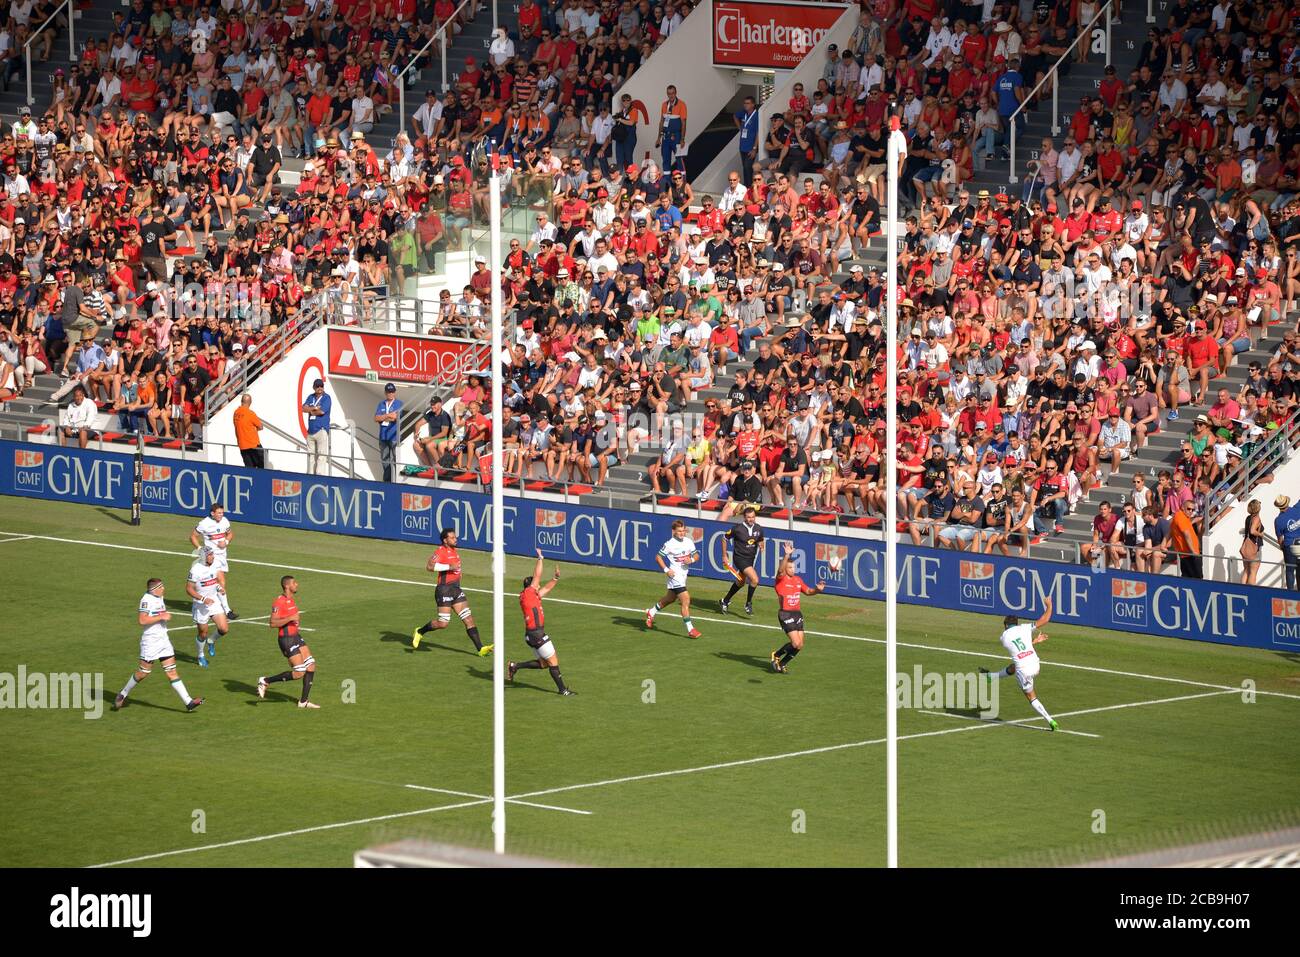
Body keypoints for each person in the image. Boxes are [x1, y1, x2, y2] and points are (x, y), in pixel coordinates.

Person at [113, 577, 203, 712]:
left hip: (163, 640)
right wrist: (161, 617)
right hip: (150, 642)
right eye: (161, 587)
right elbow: (142, 620)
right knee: (143, 673)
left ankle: (188, 702)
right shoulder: (146, 600)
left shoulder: (159, 598)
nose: (163, 589)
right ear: (154, 590)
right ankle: (123, 693)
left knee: (172, 671)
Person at [412, 527, 492, 656]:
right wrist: (450, 567)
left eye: (456, 537)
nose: (456, 539)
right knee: (443, 623)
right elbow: (429, 567)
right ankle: (420, 631)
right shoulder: (441, 551)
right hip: (444, 590)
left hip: (456, 589)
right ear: (445, 540)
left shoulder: (454, 551)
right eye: (452, 537)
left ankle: (480, 649)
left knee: (468, 619)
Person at [982, 597, 1057, 731]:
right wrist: (1049, 606)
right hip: (1036, 664)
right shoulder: (1024, 628)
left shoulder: (1004, 637)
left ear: (1005, 626)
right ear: (1017, 623)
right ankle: (992, 677)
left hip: (1024, 670)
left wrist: (1033, 641)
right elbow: (1045, 619)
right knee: (1015, 665)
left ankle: (1050, 720)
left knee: (1031, 697)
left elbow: (1017, 647)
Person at [507, 549, 575, 696]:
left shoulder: (532, 596)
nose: (538, 586)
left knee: (544, 664)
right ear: (530, 585)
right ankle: (563, 690)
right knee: (553, 661)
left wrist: (555, 578)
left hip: (531, 635)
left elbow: (546, 588)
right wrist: (540, 557)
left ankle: (515, 666)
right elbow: (537, 575)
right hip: (537, 634)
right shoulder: (528, 594)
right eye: (535, 584)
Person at [257, 575, 319, 709]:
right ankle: (265, 681)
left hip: (295, 636)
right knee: (299, 672)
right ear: (287, 586)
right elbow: (272, 623)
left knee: (311, 665)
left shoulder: (291, 600)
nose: (297, 585)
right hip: (286, 640)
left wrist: (294, 620)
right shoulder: (279, 602)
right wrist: (291, 618)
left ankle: (303, 702)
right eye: (294, 583)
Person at [770, 542, 825, 674]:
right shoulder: (780, 580)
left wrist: (817, 590)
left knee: (800, 645)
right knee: (795, 643)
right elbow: (779, 571)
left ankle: (782, 664)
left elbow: (808, 591)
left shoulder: (798, 580)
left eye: (794, 567)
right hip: (785, 614)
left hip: (797, 614)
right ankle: (776, 655)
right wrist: (787, 555)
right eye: (790, 567)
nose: (793, 570)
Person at [646, 519, 701, 638]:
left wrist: (691, 560)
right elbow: (658, 557)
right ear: (673, 531)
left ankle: (652, 611)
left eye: (683, 530)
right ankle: (690, 629)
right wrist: (667, 570)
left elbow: (696, 555)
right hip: (675, 576)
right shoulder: (669, 544)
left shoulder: (688, 541)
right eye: (679, 531)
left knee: (670, 599)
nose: (682, 533)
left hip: (683, 575)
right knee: (686, 599)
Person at [191, 503, 236, 619]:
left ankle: (212, 603)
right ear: (212, 513)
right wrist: (201, 550)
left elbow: (230, 534)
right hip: (211, 557)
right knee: (221, 581)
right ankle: (227, 610)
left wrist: (225, 542)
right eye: (219, 513)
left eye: (222, 513)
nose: (221, 515)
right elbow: (193, 536)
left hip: (222, 556)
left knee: (217, 583)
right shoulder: (204, 524)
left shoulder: (225, 521)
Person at [187, 547, 229, 668]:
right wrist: (203, 599)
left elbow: (215, 581)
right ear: (204, 557)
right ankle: (200, 655)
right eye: (210, 555)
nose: (213, 557)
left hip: (214, 601)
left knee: (224, 629)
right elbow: (189, 589)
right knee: (202, 634)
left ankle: (211, 641)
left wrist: (219, 588)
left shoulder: (214, 565)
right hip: (201, 605)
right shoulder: (195, 570)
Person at [719, 505, 765, 616]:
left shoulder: (758, 528)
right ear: (744, 517)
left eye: (753, 517)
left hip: (750, 559)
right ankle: (748, 604)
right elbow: (724, 538)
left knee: (741, 582)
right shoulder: (737, 528)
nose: (751, 519)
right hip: (739, 558)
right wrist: (724, 555)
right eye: (748, 517)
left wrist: (761, 545)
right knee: (755, 580)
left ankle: (724, 601)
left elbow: (760, 539)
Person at [301, 377, 331, 475]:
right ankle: (310, 474)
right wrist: (314, 408)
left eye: (321, 386)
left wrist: (311, 410)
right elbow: (303, 408)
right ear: (314, 387)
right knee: (311, 455)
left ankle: (319, 475)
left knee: (322, 455)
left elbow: (322, 411)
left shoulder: (327, 397)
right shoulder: (311, 397)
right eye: (317, 386)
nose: (319, 388)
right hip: (311, 430)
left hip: (321, 429)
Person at [374, 382, 402, 482]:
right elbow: (376, 418)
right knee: (385, 460)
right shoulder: (381, 403)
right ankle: (387, 481)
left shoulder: (399, 403)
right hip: (383, 436)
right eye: (388, 392)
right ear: (385, 393)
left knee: (394, 460)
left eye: (392, 392)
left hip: (394, 436)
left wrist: (383, 416)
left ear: (395, 392)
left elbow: (395, 417)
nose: (390, 394)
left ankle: (395, 480)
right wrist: (388, 415)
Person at [1169, 498, 1203, 579]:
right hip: (1190, 554)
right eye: (1188, 509)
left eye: (1192, 510)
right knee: (1198, 579)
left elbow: (1173, 530)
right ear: (1182, 508)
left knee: (1187, 578)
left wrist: (1194, 520)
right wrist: (1193, 552)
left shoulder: (1183, 517)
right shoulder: (1180, 517)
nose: (1191, 511)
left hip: (1187, 554)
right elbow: (1186, 535)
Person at [59, 383, 98, 448]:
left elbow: (90, 418)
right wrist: (66, 427)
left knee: (83, 431)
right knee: (60, 430)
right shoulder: (71, 405)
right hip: (75, 429)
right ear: (74, 397)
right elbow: (66, 418)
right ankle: (63, 451)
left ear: (83, 395)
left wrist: (84, 427)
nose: (78, 398)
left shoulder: (89, 403)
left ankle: (81, 454)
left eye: (80, 395)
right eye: (76, 396)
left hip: (90, 429)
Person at [233, 393, 265, 468]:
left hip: (242, 445)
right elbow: (261, 427)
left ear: (241, 401)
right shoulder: (250, 413)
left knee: (249, 469)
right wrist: (253, 429)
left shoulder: (236, 413)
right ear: (250, 403)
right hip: (253, 445)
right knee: (262, 467)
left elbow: (236, 426)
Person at [1276, 495, 1300, 590]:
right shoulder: (1297, 509)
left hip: (1289, 546)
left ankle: (1290, 593)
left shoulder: (1278, 520)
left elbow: (1280, 539)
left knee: (1290, 571)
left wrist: (1283, 547)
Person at [1240, 500, 1265, 586]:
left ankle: (1242, 589)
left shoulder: (1248, 518)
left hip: (1246, 547)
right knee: (1253, 572)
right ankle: (1251, 591)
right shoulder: (1256, 518)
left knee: (1246, 569)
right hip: (1254, 547)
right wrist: (1260, 534)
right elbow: (1252, 531)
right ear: (1258, 508)